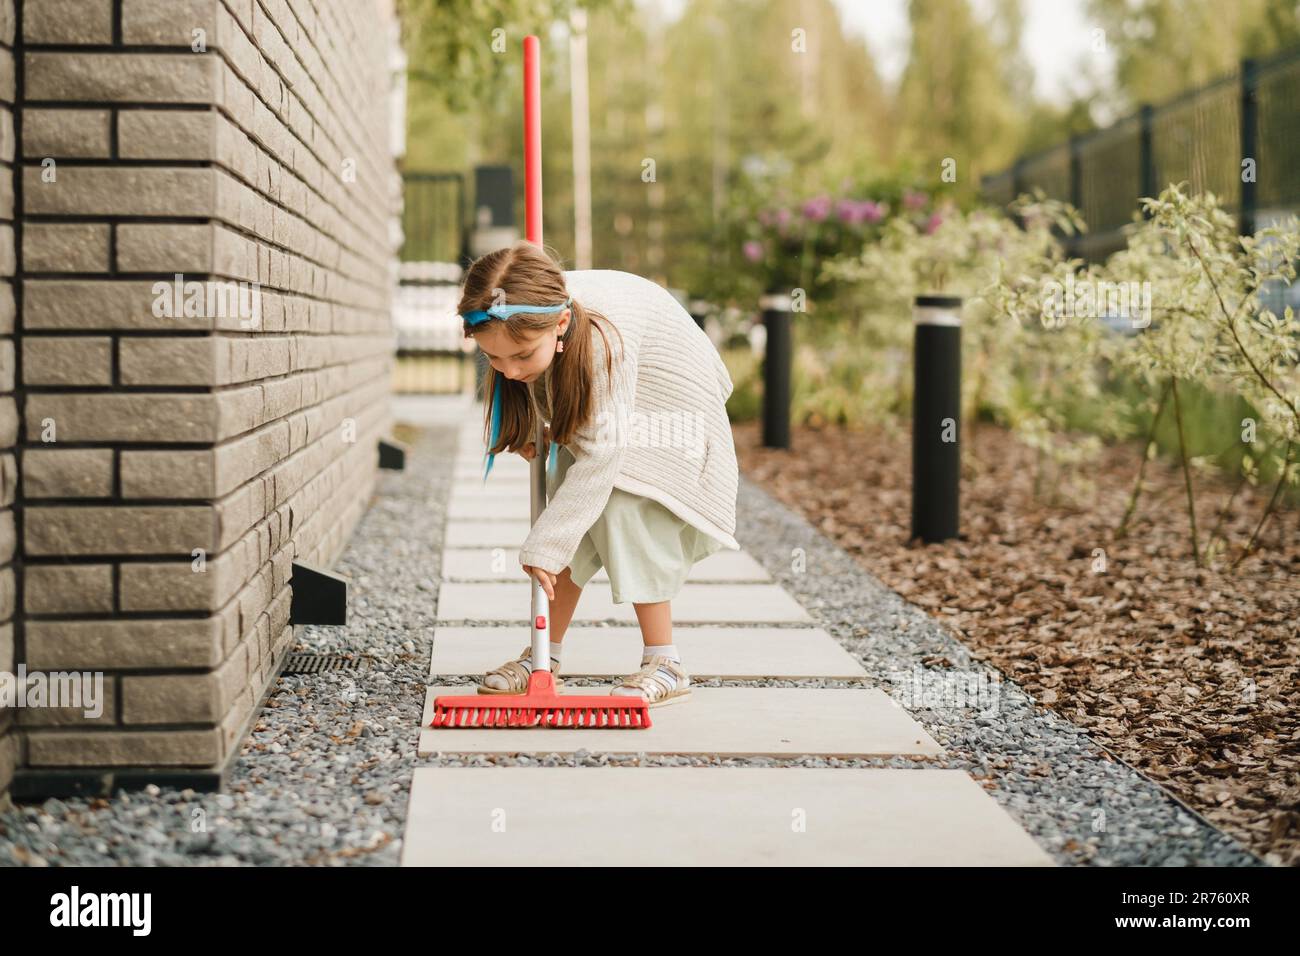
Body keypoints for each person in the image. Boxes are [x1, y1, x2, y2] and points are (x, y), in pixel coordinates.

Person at [457, 239, 739, 707]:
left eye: (521, 356)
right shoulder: (528, 324)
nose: (508, 370)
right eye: (494, 358)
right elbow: (543, 375)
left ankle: (665, 660)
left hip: (669, 400)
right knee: (570, 512)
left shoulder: (603, 342)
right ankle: (544, 655)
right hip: (613, 401)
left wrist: (543, 546)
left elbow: (603, 457)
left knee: (627, 503)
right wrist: (530, 417)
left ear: (560, 323)